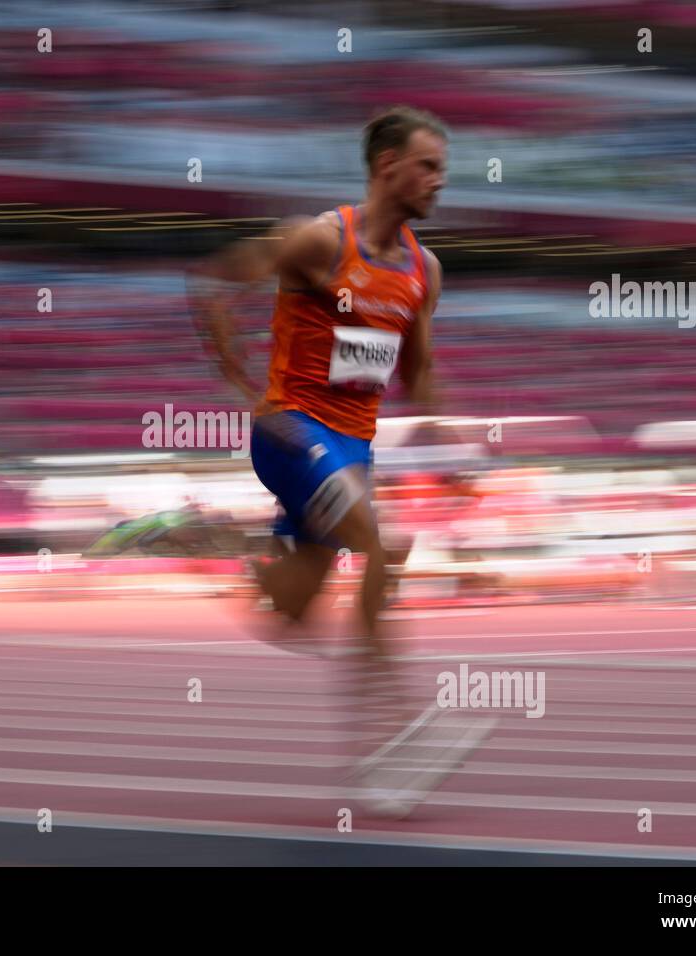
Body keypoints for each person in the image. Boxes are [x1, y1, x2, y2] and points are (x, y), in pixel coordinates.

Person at [187, 106, 491, 814]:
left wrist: (449, 446)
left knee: (288, 615)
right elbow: (215, 285)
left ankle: (201, 537)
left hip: (352, 447)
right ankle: (392, 743)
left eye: (443, 168)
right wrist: (242, 387)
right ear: (388, 166)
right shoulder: (319, 241)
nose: (440, 182)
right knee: (380, 552)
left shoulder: (425, 271)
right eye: (429, 166)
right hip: (292, 431)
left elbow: (416, 372)